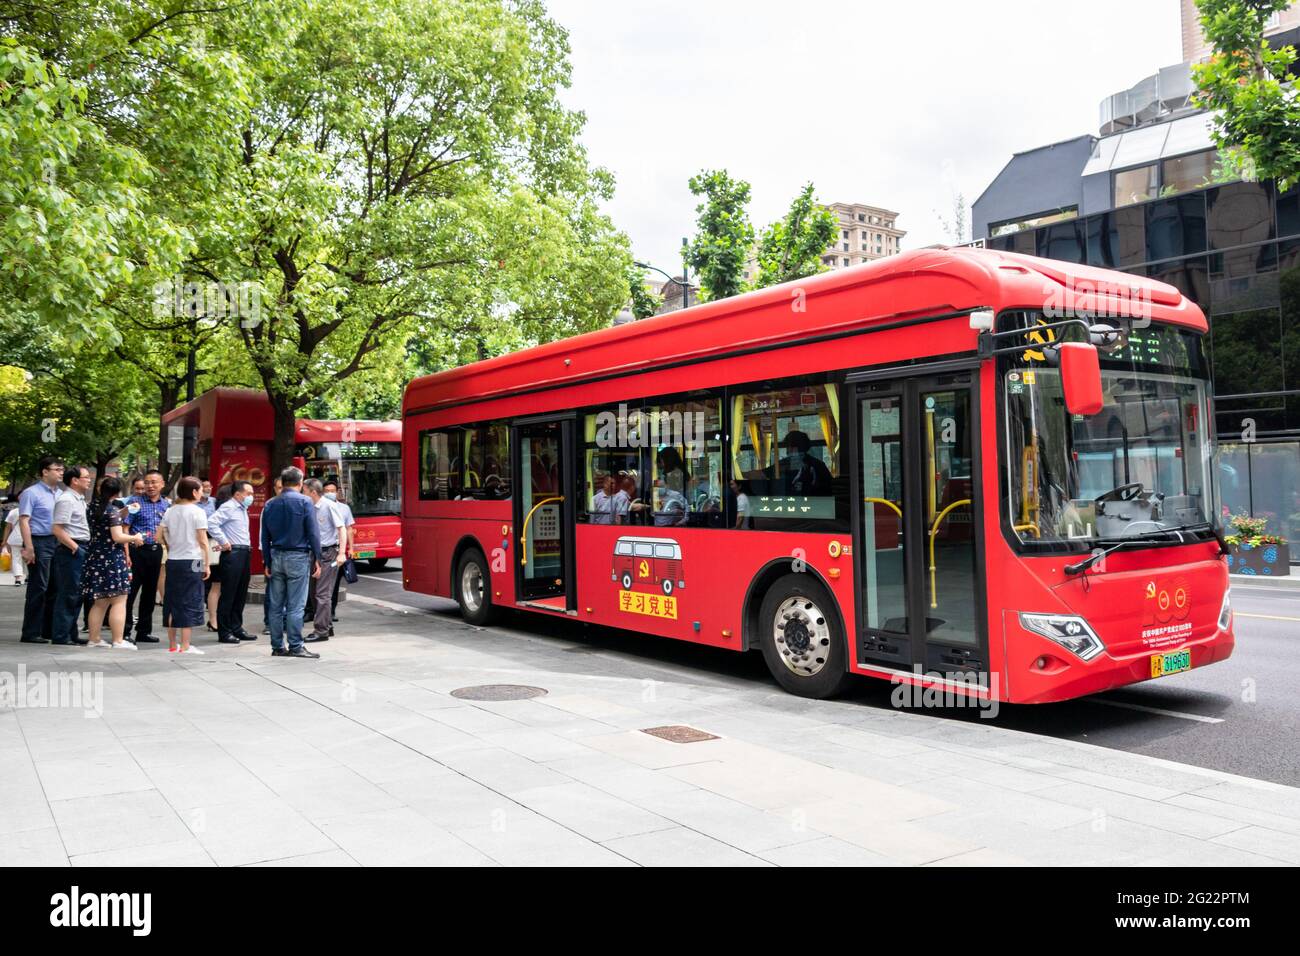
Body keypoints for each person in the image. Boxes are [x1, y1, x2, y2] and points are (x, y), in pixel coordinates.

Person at [260, 467, 321, 659]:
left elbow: (265, 536)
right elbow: (313, 532)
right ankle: (296, 645)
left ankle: (277, 646)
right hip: (298, 555)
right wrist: (318, 558)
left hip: (276, 554)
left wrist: (267, 561)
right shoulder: (305, 502)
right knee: (296, 606)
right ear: (300, 482)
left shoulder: (270, 504)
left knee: (276, 605)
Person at [82, 477, 145, 649]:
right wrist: (135, 537)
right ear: (117, 493)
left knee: (100, 601)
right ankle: (118, 640)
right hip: (112, 558)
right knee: (119, 600)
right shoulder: (111, 511)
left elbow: (107, 522)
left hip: (95, 556)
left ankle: (94, 639)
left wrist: (123, 512)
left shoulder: (92, 507)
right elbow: (117, 536)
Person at [156, 476, 210, 655]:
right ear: (194, 492)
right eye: (201, 489)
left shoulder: (170, 511)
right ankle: (186, 645)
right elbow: (203, 541)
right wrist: (207, 564)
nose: (202, 492)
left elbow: (158, 536)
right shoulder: (197, 512)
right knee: (190, 600)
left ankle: (173, 645)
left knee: (172, 601)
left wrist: (171, 546)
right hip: (193, 560)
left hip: (173, 560)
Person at [18, 456, 65, 643]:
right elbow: (24, 520)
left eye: (62, 469)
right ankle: (30, 632)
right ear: (45, 471)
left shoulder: (61, 494)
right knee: (39, 587)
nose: (61, 472)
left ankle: (48, 630)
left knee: (55, 587)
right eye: (57, 469)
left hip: (56, 542)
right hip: (39, 542)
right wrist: (29, 547)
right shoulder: (32, 493)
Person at [49, 465, 93, 645]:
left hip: (80, 547)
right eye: (86, 477)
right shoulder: (66, 499)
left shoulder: (79, 499)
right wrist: (75, 548)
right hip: (71, 549)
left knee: (77, 593)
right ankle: (61, 635)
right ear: (74, 480)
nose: (89, 480)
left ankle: (70, 633)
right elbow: (57, 529)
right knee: (69, 593)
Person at [207, 480, 255, 645]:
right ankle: (225, 631)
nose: (251, 497)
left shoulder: (242, 509)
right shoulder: (229, 507)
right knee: (229, 593)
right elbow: (212, 523)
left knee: (240, 593)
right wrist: (223, 541)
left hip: (244, 552)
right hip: (233, 552)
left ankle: (236, 627)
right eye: (248, 493)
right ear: (238, 494)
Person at [124, 469, 169, 643]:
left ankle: (143, 631)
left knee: (150, 593)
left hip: (156, 551)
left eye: (154, 482)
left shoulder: (166, 505)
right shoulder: (135, 503)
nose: (150, 486)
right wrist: (127, 553)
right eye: (148, 482)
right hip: (137, 552)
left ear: (162, 484)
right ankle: (125, 630)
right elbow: (125, 529)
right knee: (131, 592)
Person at [302, 478, 345, 643]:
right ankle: (327, 625)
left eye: (304, 491)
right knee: (313, 594)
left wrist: (341, 553)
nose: (302, 494)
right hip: (314, 554)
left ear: (312, 492)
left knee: (322, 594)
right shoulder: (309, 507)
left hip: (328, 554)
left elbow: (341, 529)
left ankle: (321, 631)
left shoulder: (329, 506)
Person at [323, 479, 354, 624]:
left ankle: (331, 611)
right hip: (323, 549)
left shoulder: (344, 508)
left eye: (332, 491)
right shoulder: (319, 507)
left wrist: (351, 549)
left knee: (334, 584)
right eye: (327, 491)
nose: (330, 493)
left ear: (337, 492)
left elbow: (348, 529)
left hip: (337, 550)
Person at [781, 431, 833, 496]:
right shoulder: (782, 465)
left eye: (792, 447)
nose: (788, 451)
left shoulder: (817, 466)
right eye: (788, 447)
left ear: (802, 448)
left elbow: (828, 489)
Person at [3, 497, 24, 586]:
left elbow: (8, 527)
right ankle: (28, 577)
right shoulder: (33, 511)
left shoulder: (14, 511)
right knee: (29, 558)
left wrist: (4, 541)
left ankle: (18, 579)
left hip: (15, 538)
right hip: (29, 538)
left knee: (16, 558)